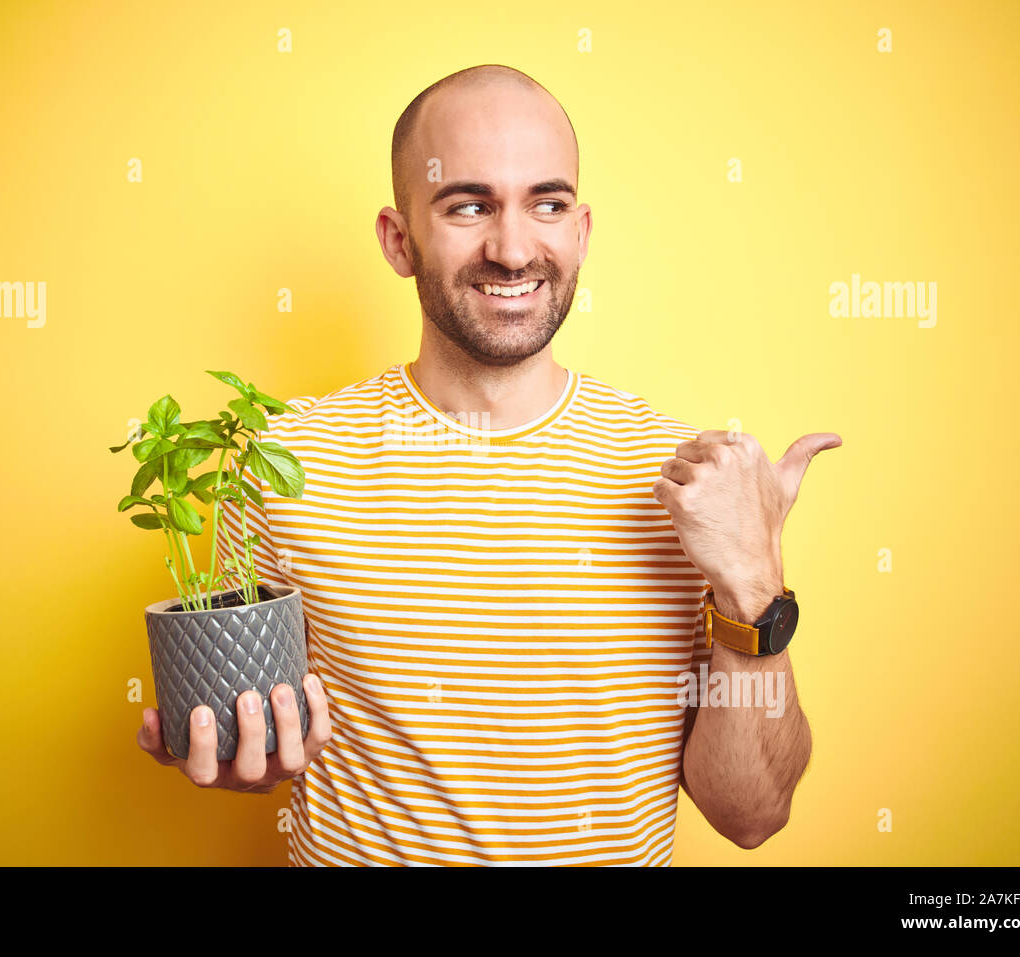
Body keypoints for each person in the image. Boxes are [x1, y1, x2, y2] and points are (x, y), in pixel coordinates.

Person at [138, 63, 841, 865]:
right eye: (469, 205)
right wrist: (238, 755)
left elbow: (751, 814)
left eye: (546, 204)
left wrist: (753, 586)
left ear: (580, 232)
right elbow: (257, 741)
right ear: (399, 241)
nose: (513, 249)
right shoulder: (281, 461)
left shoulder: (683, 480)